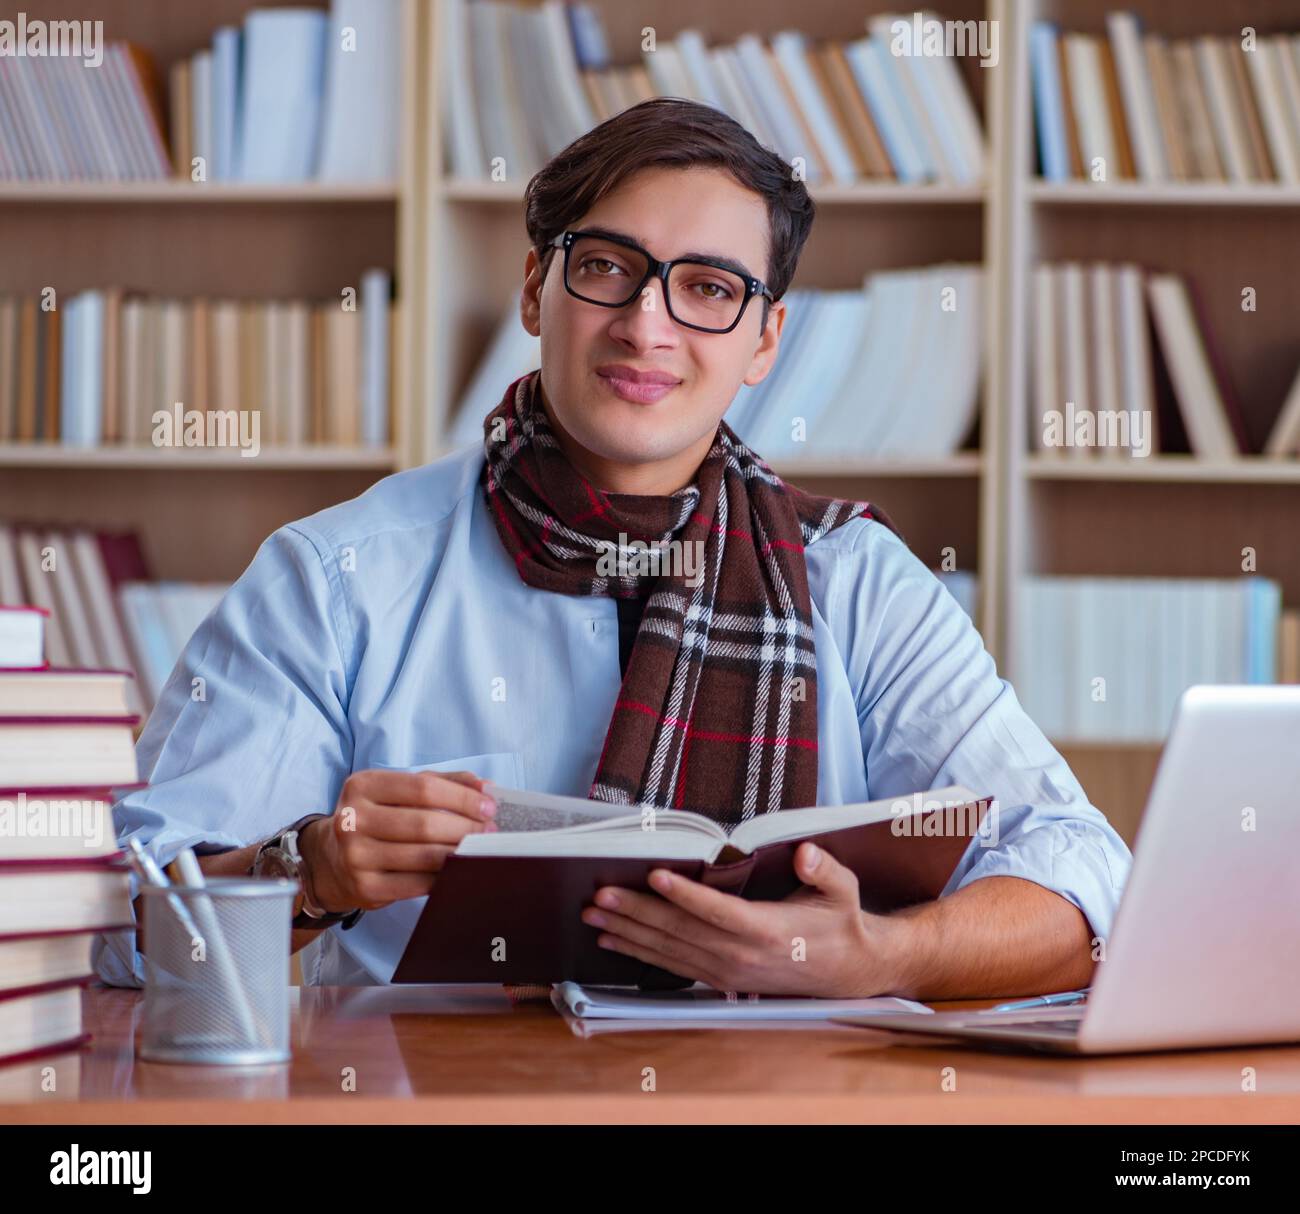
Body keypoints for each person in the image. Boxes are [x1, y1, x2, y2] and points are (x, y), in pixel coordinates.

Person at [95, 98, 1130, 997]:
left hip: (780, 1099)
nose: (646, 324)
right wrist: (306, 871)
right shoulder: (334, 577)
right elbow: (115, 928)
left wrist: (886, 954)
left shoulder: (856, 580)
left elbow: (1083, 875)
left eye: (709, 288)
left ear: (764, 340)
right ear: (536, 289)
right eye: (607, 268)